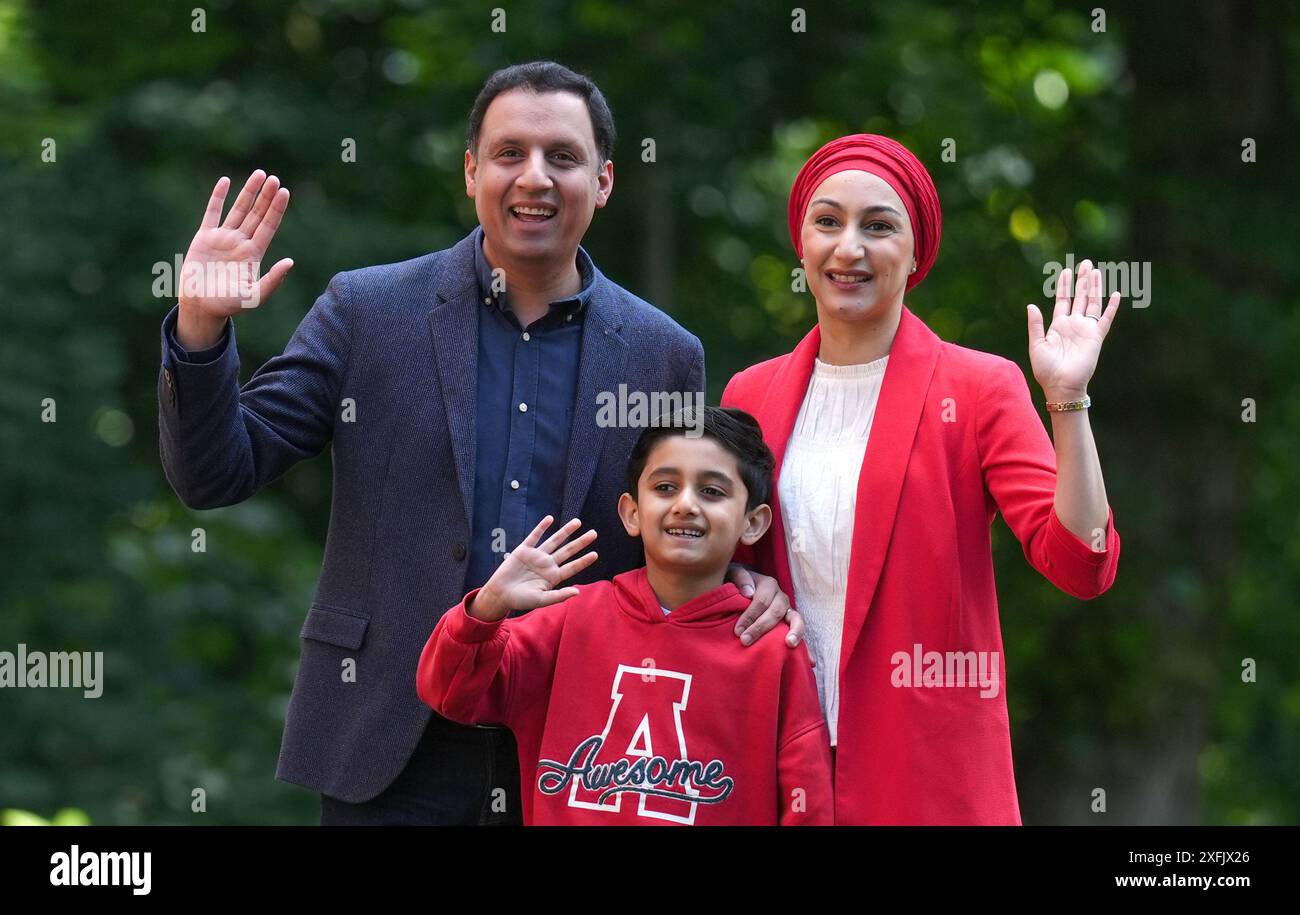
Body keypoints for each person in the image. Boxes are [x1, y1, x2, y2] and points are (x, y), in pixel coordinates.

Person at [156, 61, 798, 826]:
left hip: (583, 753)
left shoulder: (664, 354)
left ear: (603, 181)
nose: (535, 177)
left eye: (563, 157)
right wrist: (201, 327)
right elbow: (215, 473)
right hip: (388, 740)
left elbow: (683, 522)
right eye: (509, 153)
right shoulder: (368, 312)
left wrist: (743, 581)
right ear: (471, 171)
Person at [721, 133, 1122, 825]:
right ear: (801, 244)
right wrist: (737, 577)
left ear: (915, 255)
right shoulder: (750, 393)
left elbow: (1081, 564)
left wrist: (1068, 400)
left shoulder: (979, 387)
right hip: (777, 773)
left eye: (879, 226)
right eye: (828, 221)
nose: (850, 247)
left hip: (929, 782)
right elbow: (712, 565)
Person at [417, 406, 833, 825]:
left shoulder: (772, 648)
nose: (686, 504)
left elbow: (807, 801)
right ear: (632, 512)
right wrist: (487, 606)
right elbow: (448, 693)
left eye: (712, 491)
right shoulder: (568, 619)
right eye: (666, 487)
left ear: (754, 523)